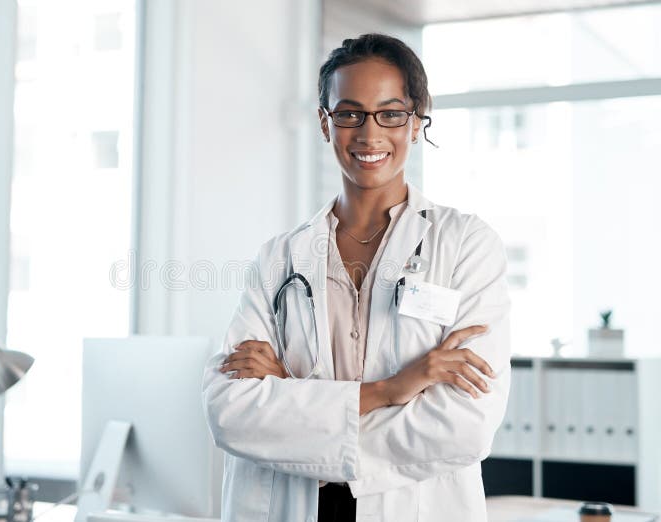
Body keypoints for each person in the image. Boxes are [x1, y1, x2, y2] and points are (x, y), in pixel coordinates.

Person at [202, 33, 511, 522]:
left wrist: (295, 404)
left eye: (391, 113)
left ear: (416, 121)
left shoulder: (465, 245)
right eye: (349, 114)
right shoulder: (278, 257)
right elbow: (230, 412)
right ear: (325, 123)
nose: (369, 134)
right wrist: (393, 389)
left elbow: (464, 425)